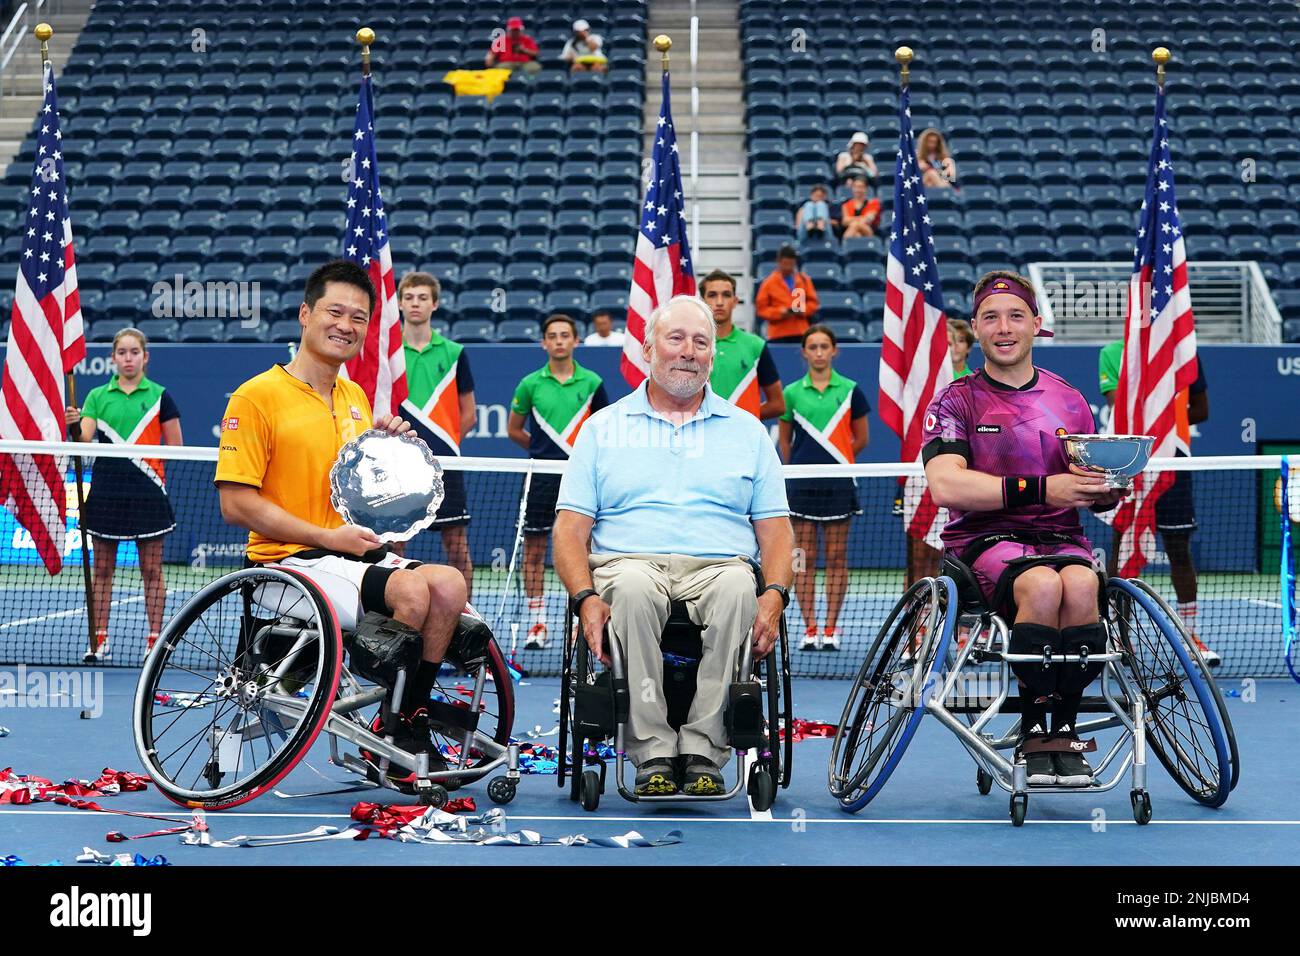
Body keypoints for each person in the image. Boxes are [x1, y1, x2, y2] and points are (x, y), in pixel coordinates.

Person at [215, 260, 468, 785]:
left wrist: (392, 458)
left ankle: (405, 721)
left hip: (349, 553)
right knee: (414, 594)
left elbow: (360, 498)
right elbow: (236, 504)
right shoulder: (255, 396)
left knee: (449, 584)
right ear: (305, 314)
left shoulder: (355, 398)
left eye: (359, 317)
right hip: (285, 562)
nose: (346, 325)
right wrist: (325, 537)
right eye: (335, 311)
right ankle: (394, 727)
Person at [553, 295, 794, 795]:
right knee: (636, 589)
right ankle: (652, 751)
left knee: (736, 590)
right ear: (648, 349)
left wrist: (774, 595)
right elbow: (570, 530)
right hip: (628, 562)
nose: (688, 351)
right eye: (676, 338)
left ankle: (705, 749)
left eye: (701, 342)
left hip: (720, 564)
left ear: (713, 356)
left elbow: (775, 531)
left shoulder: (748, 433)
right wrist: (584, 598)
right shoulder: (602, 429)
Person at [923, 270, 1128, 786]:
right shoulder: (955, 401)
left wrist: (1101, 490)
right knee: (1041, 584)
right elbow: (946, 486)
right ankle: (1037, 730)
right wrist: (1042, 489)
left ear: (1037, 324)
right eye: (991, 318)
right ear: (975, 329)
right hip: (982, 541)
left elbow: (1080, 482)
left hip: (1062, 539)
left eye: (1016, 315)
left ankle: (1063, 728)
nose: (1004, 327)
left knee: (1081, 584)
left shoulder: (1069, 399)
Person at [65, 328, 182, 662]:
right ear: (113, 358)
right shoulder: (97, 397)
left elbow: (177, 448)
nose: (128, 358)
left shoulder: (161, 396)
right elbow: (84, 439)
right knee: (101, 570)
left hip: (148, 493)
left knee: (152, 570)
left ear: (145, 357)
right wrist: (75, 423)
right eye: (122, 352)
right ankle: (98, 640)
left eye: (134, 352)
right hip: (106, 492)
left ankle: (155, 641)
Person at [1098, 339, 1217, 666]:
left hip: (1174, 458)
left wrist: (1167, 427)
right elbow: (1120, 402)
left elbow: (1202, 409)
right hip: (1127, 455)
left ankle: (1190, 634)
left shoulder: (1184, 349)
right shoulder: (1111, 353)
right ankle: (1118, 635)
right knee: (1121, 546)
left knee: (1179, 547)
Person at [508, 313, 609, 649]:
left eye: (565, 335)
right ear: (544, 342)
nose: (560, 340)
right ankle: (538, 624)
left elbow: (604, 433)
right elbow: (514, 429)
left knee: (586, 550)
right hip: (541, 478)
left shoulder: (594, 383)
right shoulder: (529, 384)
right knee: (534, 551)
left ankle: (584, 620)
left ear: (576, 341)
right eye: (553, 335)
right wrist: (542, 454)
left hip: (582, 478)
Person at [779, 325, 869, 650]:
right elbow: (785, 442)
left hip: (839, 485)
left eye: (824, 346)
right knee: (803, 556)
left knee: (835, 556)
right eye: (812, 347)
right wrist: (801, 470)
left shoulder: (850, 390)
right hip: (801, 487)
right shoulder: (791, 392)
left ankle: (830, 629)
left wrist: (837, 462)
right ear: (804, 352)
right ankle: (810, 627)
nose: (818, 352)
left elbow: (861, 437)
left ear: (834, 351)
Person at [396, 272, 477, 601]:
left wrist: (442, 446)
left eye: (423, 298)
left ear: (435, 303)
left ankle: (466, 620)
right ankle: (392, 620)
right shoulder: (388, 353)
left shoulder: (455, 352)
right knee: (394, 547)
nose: (416, 303)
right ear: (399, 303)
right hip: (397, 464)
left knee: (457, 548)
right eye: (410, 297)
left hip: (445, 463)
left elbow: (468, 413)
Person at [905, 317, 978, 586]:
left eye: (959, 341)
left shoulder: (974, 383)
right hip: (923, 473)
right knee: (917, 555)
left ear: (968, 347)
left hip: (964, 474)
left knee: (958, 554)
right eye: (948, 342)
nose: (953, 347)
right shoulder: (927, 382)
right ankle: (916, 617)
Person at [700, 268, 784, 420]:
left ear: (735, 301)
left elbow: (778, 404)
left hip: (745, 440)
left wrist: (744, 420)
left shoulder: (755, 346)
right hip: (703, 437)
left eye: (726, 295)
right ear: (702, 302)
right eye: (712, 295)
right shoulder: (691, 346)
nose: (719, 302)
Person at [754, 244, 819, 344]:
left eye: (791, 264)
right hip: (777, 333)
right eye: (785, 264)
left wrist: (803, 310)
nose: (788, 267)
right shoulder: (768, 283)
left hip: (800, 331)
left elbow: (813, 303)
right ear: (778, 262)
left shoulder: (804, 280)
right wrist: (780, 312)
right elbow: (761, 309)